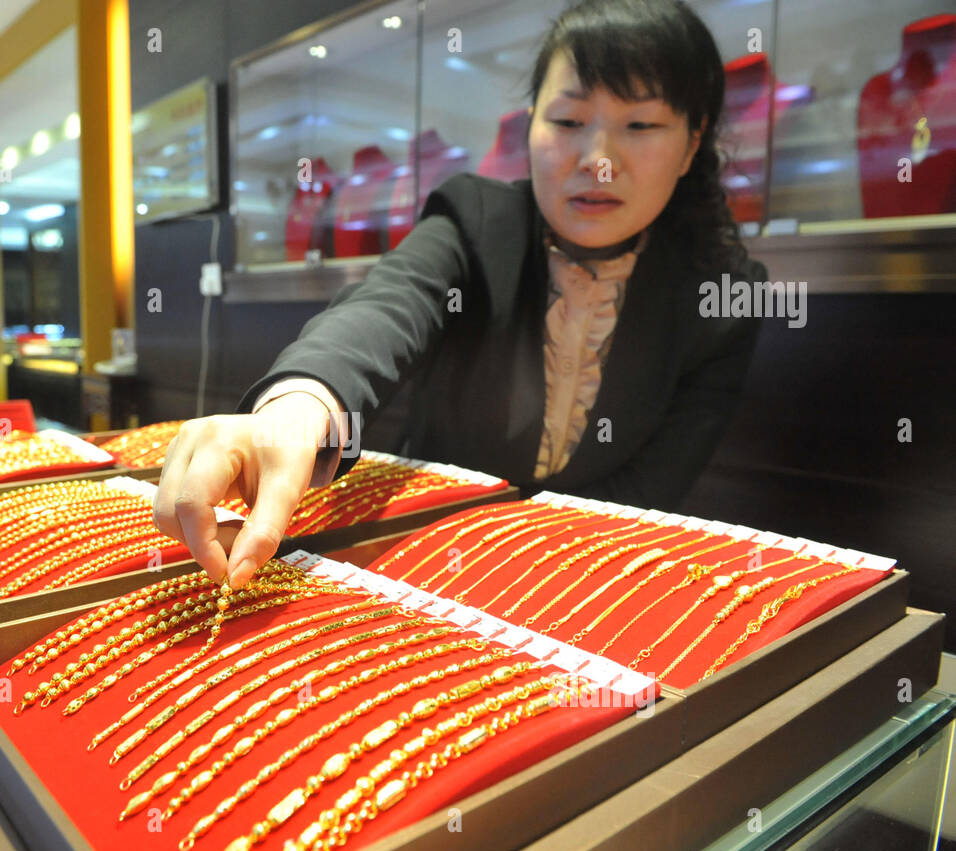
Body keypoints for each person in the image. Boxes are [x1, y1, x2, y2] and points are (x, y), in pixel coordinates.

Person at [154, 0, 768, 591]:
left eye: (641, 125)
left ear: (692, 144)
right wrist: (299, 403)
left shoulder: (723, 297)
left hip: (585, 579)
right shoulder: (477, 219)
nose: (597, 160)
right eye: (567, 121)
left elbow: (652, 486)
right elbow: (390, 304)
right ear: (530, 123)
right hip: (421, 559)